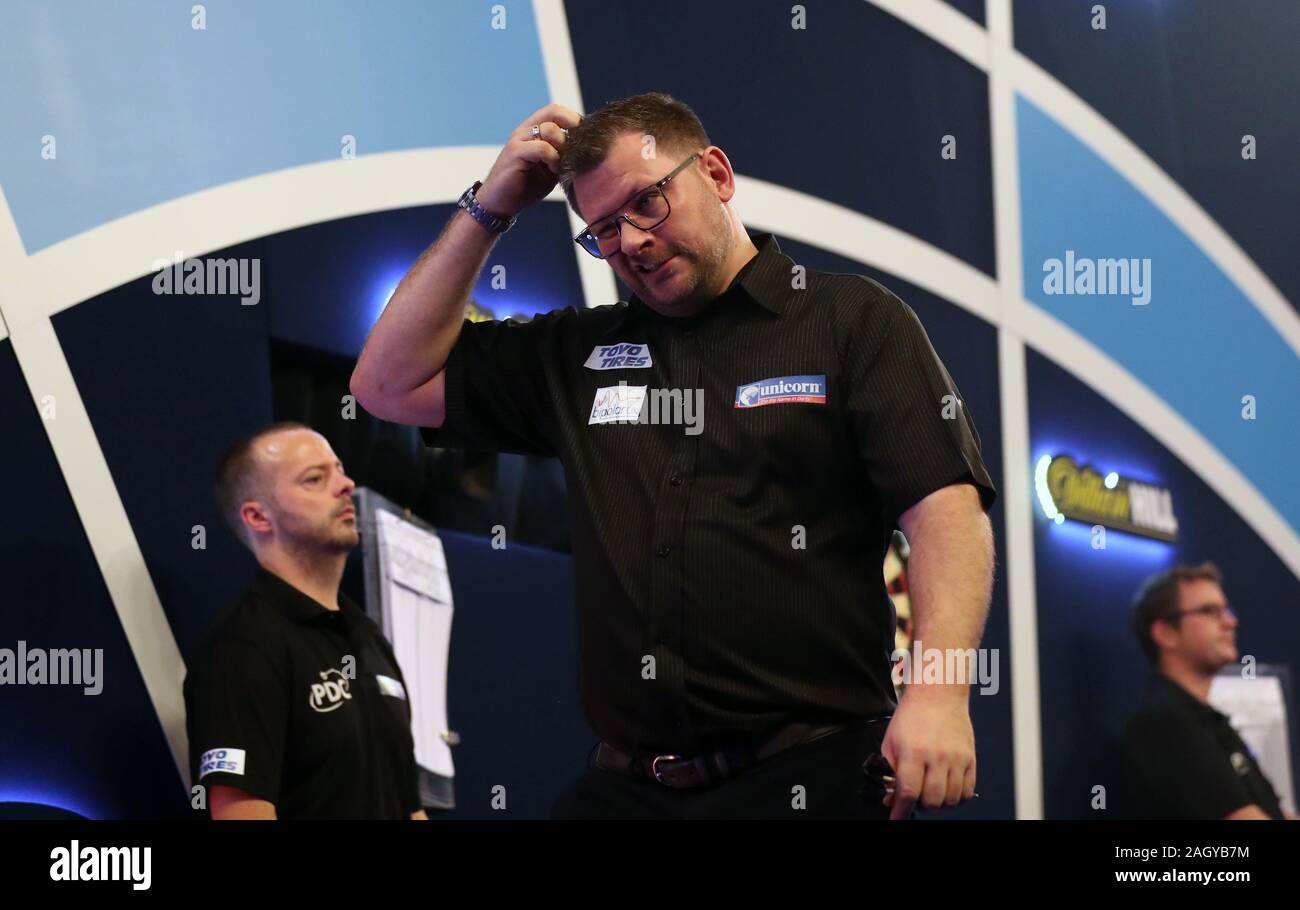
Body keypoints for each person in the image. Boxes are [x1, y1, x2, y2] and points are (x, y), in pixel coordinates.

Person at [351, 92, 996, 819]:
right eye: (602, 230)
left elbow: (946, 509)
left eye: (647, 202)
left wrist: (939, 691)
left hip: (807, 776)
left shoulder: (852, 322)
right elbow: (384, 383)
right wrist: (489, 209)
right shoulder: (578, 355)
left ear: (716, 174)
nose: (631, 241)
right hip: (627, 787)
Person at [184, 422, 427, 820]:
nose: (346, 484)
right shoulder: (242, 649)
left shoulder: (369, 638)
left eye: (339, 469)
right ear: (258, 517)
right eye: (315, 479)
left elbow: (410, 807)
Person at [1122, 562, 1290, 820]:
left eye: (1226, 610)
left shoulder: (1212, 722)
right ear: (1165, 633)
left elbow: (1275, 812)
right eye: (1210, 611)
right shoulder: (1165, 723)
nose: (1230, 622)